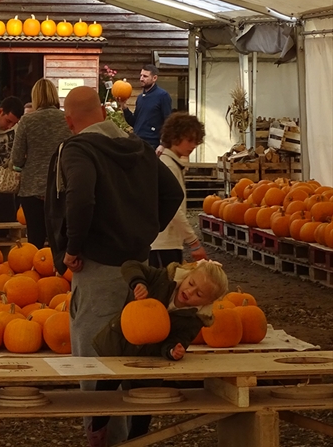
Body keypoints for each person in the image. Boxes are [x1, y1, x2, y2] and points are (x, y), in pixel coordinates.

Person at [44, 86, 183, 446]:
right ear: (105, 115)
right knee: (133, 353)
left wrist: (73, 246)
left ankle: (102, 437)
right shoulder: (137, 146)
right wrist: (144, 232)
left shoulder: (76, 149)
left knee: (93, 358)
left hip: (98, 267)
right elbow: (173, 193)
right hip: (138, 265)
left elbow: (81, 194)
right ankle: (132, 436)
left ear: (68, 121)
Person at [89, 259, 228, 445]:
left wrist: (173, 350)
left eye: (199, 294)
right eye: (191, 283)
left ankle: (136, 441)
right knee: (104, 394)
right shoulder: (162, 278)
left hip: (151, 360)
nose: (189, 292)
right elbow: (129, 265)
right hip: (118, 346)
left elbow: (178, 340)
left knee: (145, 403)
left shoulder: (194, 320)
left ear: (209, 302)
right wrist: (139, 282)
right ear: (186, 275)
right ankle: (97, 433)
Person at [11, 79, 71, 248]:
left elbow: (16, 158)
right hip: (61, 185)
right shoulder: (67, 119)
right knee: (60, 238)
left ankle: (35, 271)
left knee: (35, 238)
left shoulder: (27, 121)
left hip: (32, 188)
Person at [151, 113, 208, 267]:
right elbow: (174, 210)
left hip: (168, 243)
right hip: (163, 244)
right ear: (175, 137)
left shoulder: (171, 163)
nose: (193, 146)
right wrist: (194, 242)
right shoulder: (168, 166)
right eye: (189, 140)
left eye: (196, 141)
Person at [117, 64, 172, 149]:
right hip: (138, 142)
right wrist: (124, 106)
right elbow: (135, 123)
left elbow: (168, 122)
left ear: (154, 78)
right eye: (141, 75)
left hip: (152, 144)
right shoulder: (140, 98)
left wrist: (163, 144)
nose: (141, 79)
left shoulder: (162, 96)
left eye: (145, 76)